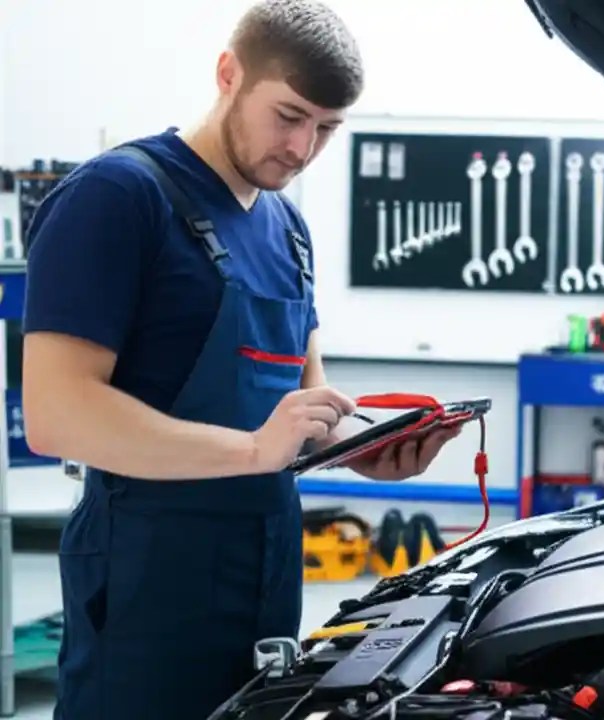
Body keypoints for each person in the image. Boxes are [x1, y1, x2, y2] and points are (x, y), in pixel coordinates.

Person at [21, 2, 460, 717]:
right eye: (289, 115)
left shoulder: (289, 230)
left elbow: (306, 407)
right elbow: (56, 414)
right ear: (228, 74)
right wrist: (257, 448)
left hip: (266, 573)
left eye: (326, 128)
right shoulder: (118, 197)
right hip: (147, 585)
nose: (302, 147)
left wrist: (364, 446)